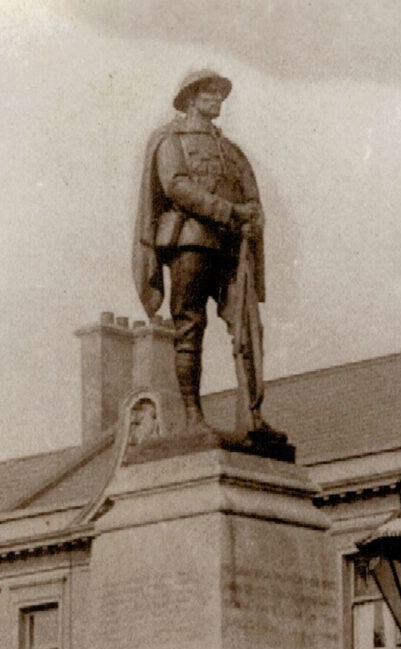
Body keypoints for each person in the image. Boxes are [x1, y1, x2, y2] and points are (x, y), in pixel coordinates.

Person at [133, 69, 285, 451]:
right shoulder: (170, 139)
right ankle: (192, 417)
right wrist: (228, 211)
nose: (217, 99)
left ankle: (253, 415)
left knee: (247, 326)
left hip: (232, 245)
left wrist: (252, 215)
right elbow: (176, 186)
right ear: (189, 98)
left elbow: (251, 195)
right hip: (190, 240)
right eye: (208, 92)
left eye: (220, 93)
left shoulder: (231, 151)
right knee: (189, 325)